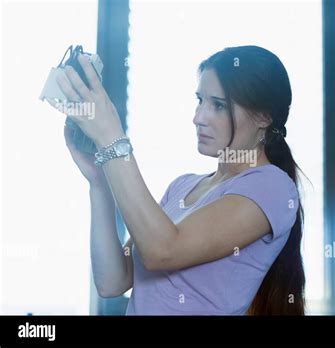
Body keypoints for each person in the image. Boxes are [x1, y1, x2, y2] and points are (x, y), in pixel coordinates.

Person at [48, 45, 306, 315]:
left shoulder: (272, 187)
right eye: (199, 101)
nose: (198, 118)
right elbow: (113, 281)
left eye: (218, 105)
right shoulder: (181, 187)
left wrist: (110, 134)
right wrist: (99, 182)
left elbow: (162, 250)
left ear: (264, 117)